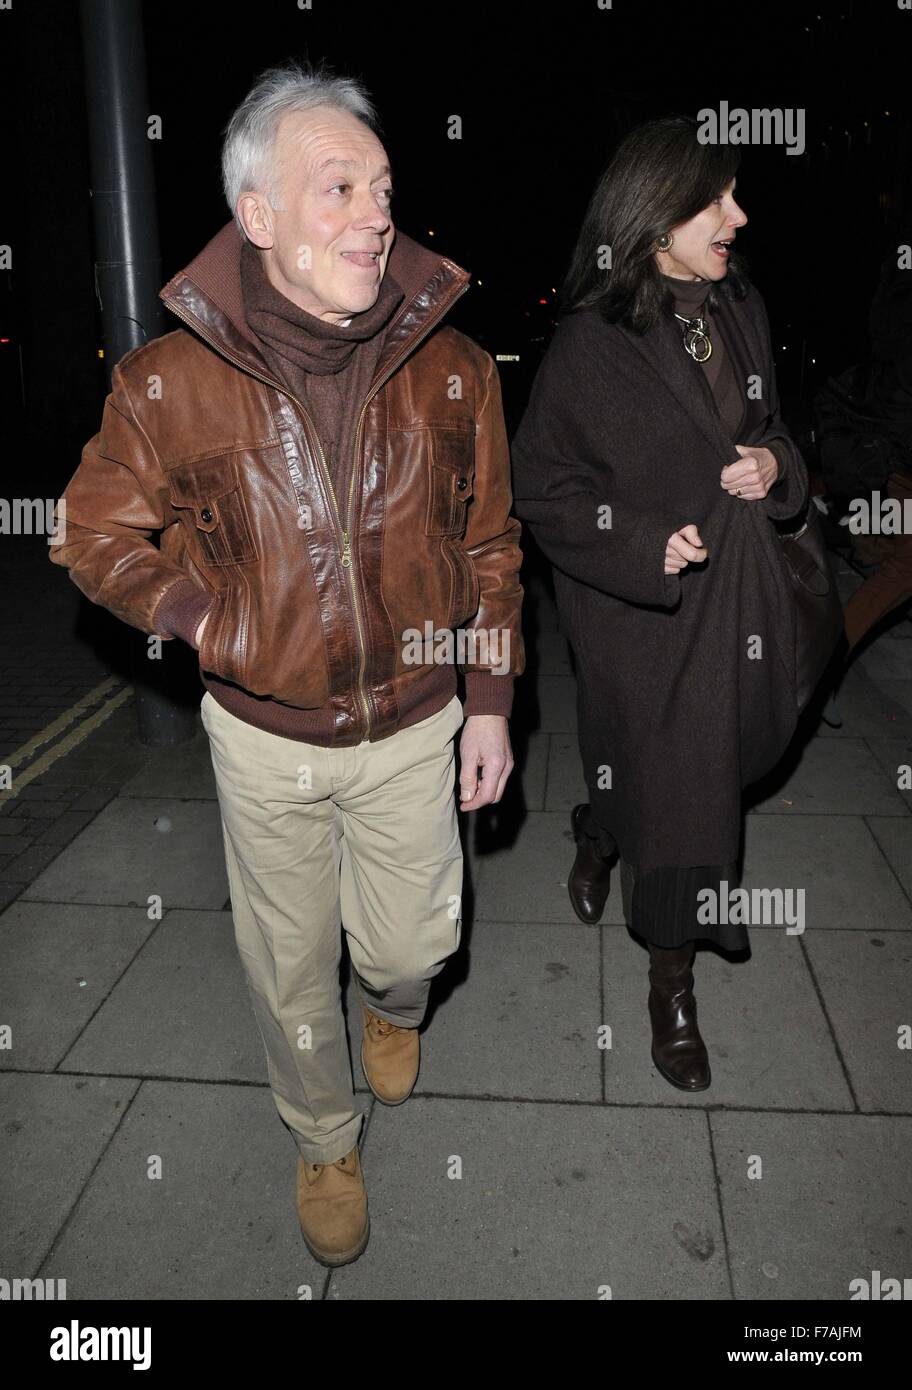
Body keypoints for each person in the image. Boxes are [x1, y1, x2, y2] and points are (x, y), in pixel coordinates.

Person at [49, 59, 524, 1266]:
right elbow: (90, 534)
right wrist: (205, 620)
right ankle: (322, 1135)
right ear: (257, 218)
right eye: (339, 188)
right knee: (288, 969)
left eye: (382, 186)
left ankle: (397, 1007)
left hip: (418, 720)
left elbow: (492, 548)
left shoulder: (457, 367)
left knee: (413, 946)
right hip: (263, 742)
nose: (377, 213)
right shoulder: (164, 384)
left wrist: (490, 701)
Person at [511, 115, 807, 1093]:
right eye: (716, 197)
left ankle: (600, 827)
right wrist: (638, 540)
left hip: (741, 608)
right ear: (653, 217)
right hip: (646, 621)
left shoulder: (741, 308)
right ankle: (671, 987)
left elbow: (773, 429)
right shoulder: (591, 347)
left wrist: (776, 462)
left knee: (685, 776)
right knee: (686, 807)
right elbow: (542, 486)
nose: (739, 214)